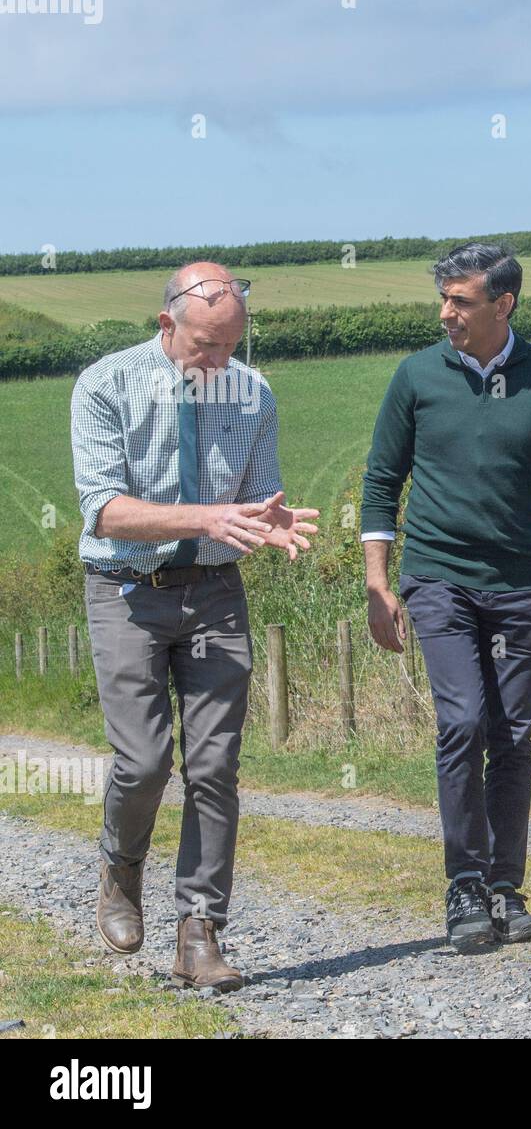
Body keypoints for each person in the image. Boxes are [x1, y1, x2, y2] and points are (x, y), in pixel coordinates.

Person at [72, 262, 319, 991]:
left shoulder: (254, 394)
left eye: (230, 347)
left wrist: (265, 522)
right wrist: (206, 515)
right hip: (125, 588)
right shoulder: (104, 386)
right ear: (166, 324)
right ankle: (121, 868)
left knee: (213, 767)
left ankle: (199, 931)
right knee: (143, 762)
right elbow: (104, 509)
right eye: (205, 346)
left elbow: (253, 498)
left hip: (214, 591)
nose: (218, 364)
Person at [361, 243, 531, 953]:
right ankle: (463, 884)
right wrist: (378, 579)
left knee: (512, 735)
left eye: (460, 301)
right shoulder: (416, 377)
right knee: (462, 721)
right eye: (444, 299)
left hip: (519, 581)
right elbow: (380, 482)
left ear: (503, 304)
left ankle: (504, 885)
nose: (446, 314)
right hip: (438, 577)